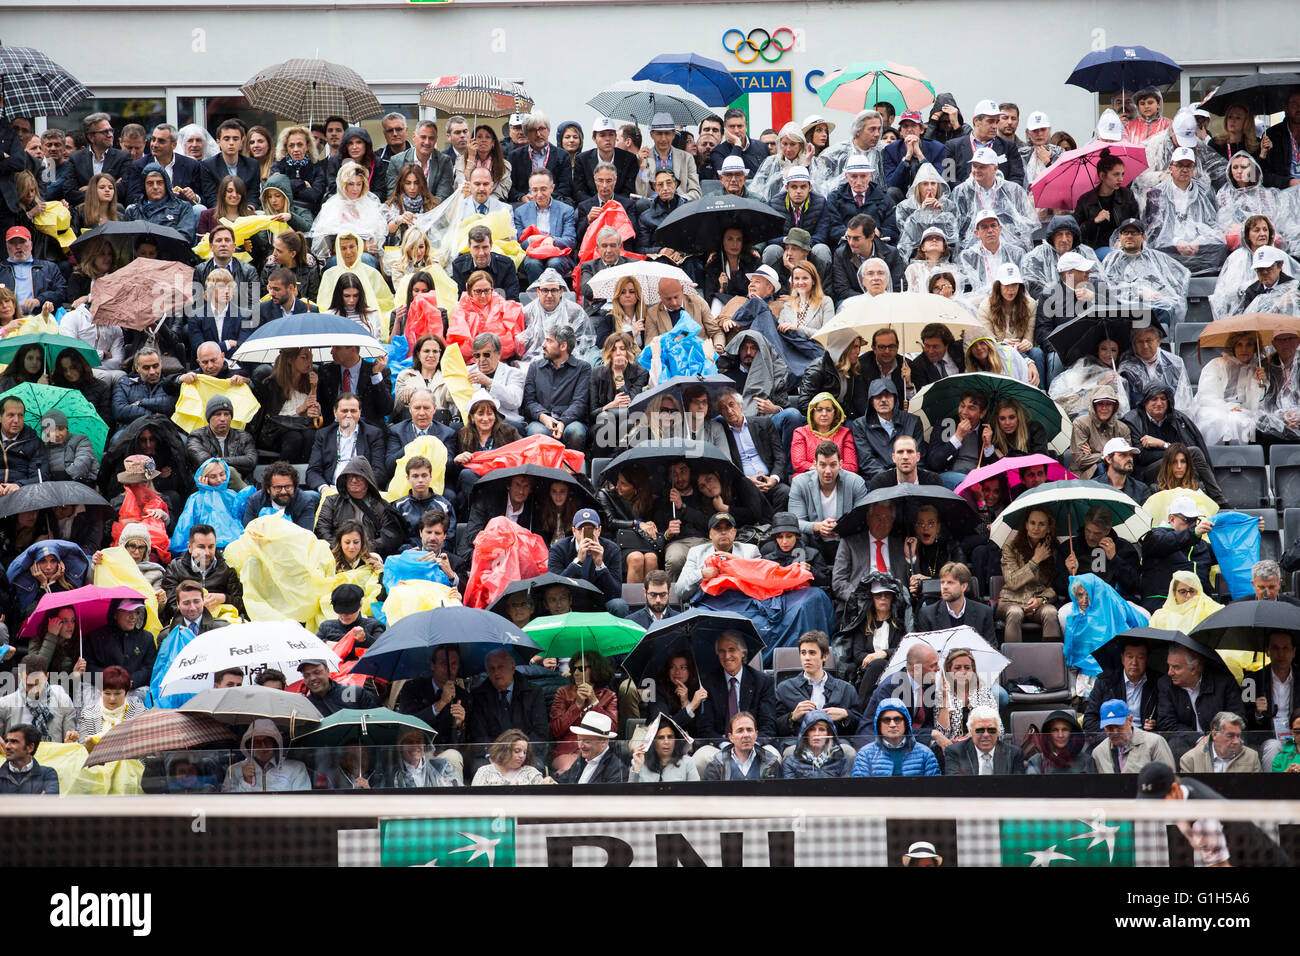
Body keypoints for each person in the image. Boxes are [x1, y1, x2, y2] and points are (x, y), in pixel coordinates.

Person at [1122, 384, 1223, 503]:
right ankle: (1219, 500)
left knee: (1190, 456)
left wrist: (1163, 444)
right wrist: (1173, 453)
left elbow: (1185, 451)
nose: (1159, 403)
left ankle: (1204, 499)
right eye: (1154, 399)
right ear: (1145, 402)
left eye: (1163, 399)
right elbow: (1141, 456)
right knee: (1194, 453)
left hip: (1176, 467)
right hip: (1147, 472)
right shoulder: (1133, 420)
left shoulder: (1178, 419)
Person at [1157, 644, 1246, 761]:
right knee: (1175, 745)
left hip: (1222, 741)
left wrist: (1215, 738)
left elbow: (1238, 718)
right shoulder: (1166, 684)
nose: (1170, 672)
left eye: (1176, 667)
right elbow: (1166, 723)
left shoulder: (1223, 682)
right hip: (1186, 743)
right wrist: (1198, 739)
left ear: (1194, 669)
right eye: (1169, 666)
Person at [466, 648, 549, 770]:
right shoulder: (479, 696)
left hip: (526, 754)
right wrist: (501, 756)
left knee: (535, 768)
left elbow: (540, 732)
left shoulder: (533, 693)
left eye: (500, 667)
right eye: (492, 669)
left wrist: (518, 753)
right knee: (480, 769)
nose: (496, 673)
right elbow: (479, 736)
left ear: (513, 667)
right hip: (493, 756)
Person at [791, 441, 869, 570]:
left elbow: (863, 519)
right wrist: (817, 526)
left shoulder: (856, 482)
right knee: (798, 535)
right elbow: (795, 522)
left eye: (833, 465)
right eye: (822, 465)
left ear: (841, 464)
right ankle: (801, 574)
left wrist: (841, 528)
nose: (828, 471)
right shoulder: (800, 483)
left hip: (846, 540)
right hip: (814, 540)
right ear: (814, 465)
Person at [1100, 218, 1191, 328]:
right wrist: (1138, 293)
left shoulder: (1156, 257)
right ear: (1120, 237)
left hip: (1153, 303)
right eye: (1125, 233)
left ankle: (1158, 343)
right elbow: (1106, 288)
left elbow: (1182, 275)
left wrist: (1164, 293)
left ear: (1143, 237)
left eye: (1134, 233)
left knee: (1165, 307)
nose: (1129, 236)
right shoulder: (1111, 260)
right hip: (1122, 304)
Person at [997, 507, 1061, 643]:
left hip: (1038, 602)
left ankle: (1050, 658)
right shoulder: (1010, 548)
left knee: (1051, 612)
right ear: (1026, 525)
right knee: (1015, 613)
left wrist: (1042, 599)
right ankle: (1013, 661)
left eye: (1041, 524)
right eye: (1032, 523)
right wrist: (1035, 560)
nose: (1036, 528)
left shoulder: (1054, 550)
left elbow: (1056, 586)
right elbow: (1012, 582)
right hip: (1011, 601)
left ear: (1049, 528)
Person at [1140, 500, 1219, 610]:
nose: (1192, 525)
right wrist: (1194, 533)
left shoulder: (1202, 545)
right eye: (1188, 520)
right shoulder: (1155, 537)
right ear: (1171, 519)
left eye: (1195, 520)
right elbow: (1167, 541)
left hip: (1198, 606)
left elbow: (1226, 555)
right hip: (1163, 605)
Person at [522, 326, 591, 451]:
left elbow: (580, 402)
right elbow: (529, 401)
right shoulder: (535, 367)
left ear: (563, 346)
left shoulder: (583, 368)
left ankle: (572, 470)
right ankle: (541, 470)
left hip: (571, 420)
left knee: (576, 432)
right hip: (540, 420)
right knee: (538, 433)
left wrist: (563, 421)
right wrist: (544, 417)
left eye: (549, 341)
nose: (543, 345)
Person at [1194, 330, 1267, 446]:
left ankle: (1243, 459)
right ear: (1232, 347)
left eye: (1249, 344)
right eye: (1239, 344)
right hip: (1214, 409)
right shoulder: (1216, 364)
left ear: (1255, 347)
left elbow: (1254, 406)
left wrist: (1257, 384)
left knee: (1239, 421)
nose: (1244, 349)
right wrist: (1228, 407)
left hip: (1243, 411)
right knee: (1217, 421)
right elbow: (1207, 396)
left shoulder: (1257, 369)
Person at [851, 696, 940, 776]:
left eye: (897, 719)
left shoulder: (925, 754)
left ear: (906, 723)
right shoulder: (865, 755)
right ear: (878, 725)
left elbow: (935, 790)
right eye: (886, 720)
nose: (892, 724)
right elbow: (860, 792)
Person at [0, 655, 77, 743]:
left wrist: (70, 740)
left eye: (38, 684)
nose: (34, 690)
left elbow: (70, 742)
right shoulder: (4, 705)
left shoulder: (63, 701)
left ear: (47, 676)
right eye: (29, 685)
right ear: (20, 677)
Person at [221, 719, 311, 792]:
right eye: (257, 742)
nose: (263, 746)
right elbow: (227, 806)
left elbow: (303, 804)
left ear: (275, 743)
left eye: (267, 741)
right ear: (249, 745)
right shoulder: (234, 770)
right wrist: (246, 782)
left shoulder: (296, 769)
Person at [1091, 698, 1175, 774]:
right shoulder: (1099, 752)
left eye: (1118, 726)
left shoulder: (1154, 742)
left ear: (1130, 720)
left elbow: (1168, 780)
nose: (1115, 732)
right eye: (1109, 728)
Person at [122, 163, 198, 244]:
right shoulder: (132, 211)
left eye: (159, 182)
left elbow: (185, 238)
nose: (155, 187)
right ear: (144, 186)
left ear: (166, 184)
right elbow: (128, 242)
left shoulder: (183, 207)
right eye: (150, 183)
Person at [943, 706, 1025, 775]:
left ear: (998, 731)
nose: (986, 735)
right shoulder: (955, 752)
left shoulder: (1014, 754)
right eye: (980, 730)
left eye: (991, 730)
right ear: (971, 731)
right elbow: (954, 787)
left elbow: (1017, 788)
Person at [701, 711, 782, 781]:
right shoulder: (716, 765)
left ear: (756, 735)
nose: (746, 735)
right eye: (740, 731)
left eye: (749, 730)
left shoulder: (771, 763)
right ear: (731, 737)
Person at [551, 711, 627, 783]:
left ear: (603, 742)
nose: (581, 746)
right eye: (579, 740)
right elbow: (564, 781)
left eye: (587, 741)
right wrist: (552, 782)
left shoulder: (616, 769)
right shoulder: (582, 759)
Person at [1178, 711, 1261, 774]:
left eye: (1238, 736)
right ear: (1214, 734)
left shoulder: (1251, 757)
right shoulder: (1190, 760)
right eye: (1230, 736)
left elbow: (1258, 792)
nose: (1236, 741)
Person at [470, 730, 550, 786]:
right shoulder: (484, 772)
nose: (522, 755)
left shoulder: (531, 773)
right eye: (517, 751)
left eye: (525, 752)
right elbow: (474, 801)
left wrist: (546, 785)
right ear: (504, 750)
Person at [1026, 710, 1092, 774]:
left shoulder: (1086, 761)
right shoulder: (1037, 761)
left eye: (1065, 730)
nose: (1060, 735)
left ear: (1072, 733)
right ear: (1048, 734)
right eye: (1055, 730)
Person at [0, 725, 60, 794]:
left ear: (30, 748)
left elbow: (49, 802)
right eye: (7, 741)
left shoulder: (47, 774)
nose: (7, 746)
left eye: (14, 742)